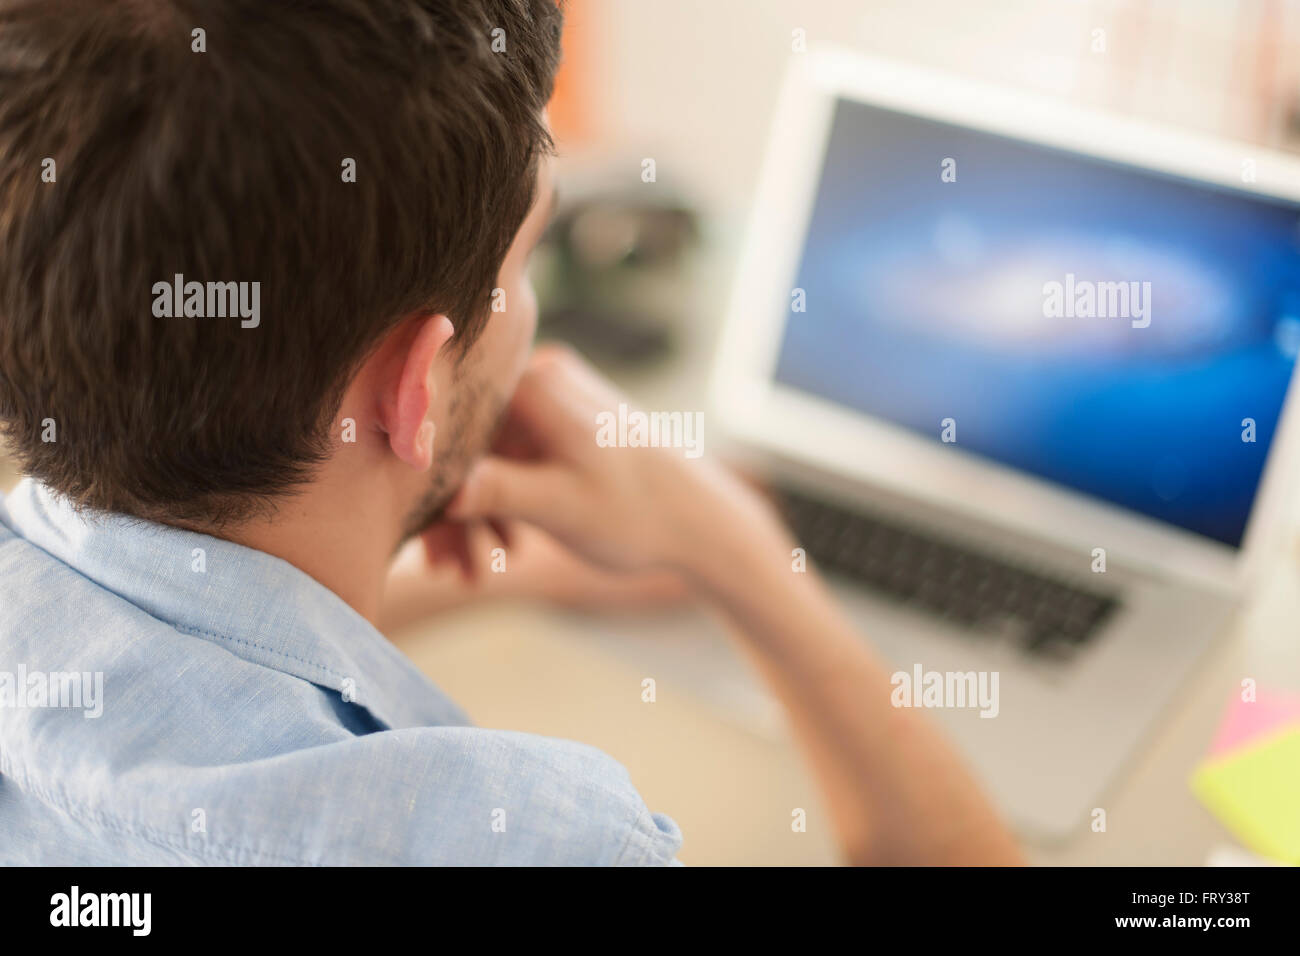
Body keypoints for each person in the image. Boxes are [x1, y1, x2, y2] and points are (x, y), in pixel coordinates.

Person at [0, 0, 1021, 865]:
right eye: (528, 258)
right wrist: (745, 558)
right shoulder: (539, 837)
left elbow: (186, 699)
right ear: (415, 389)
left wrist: (496, 570)